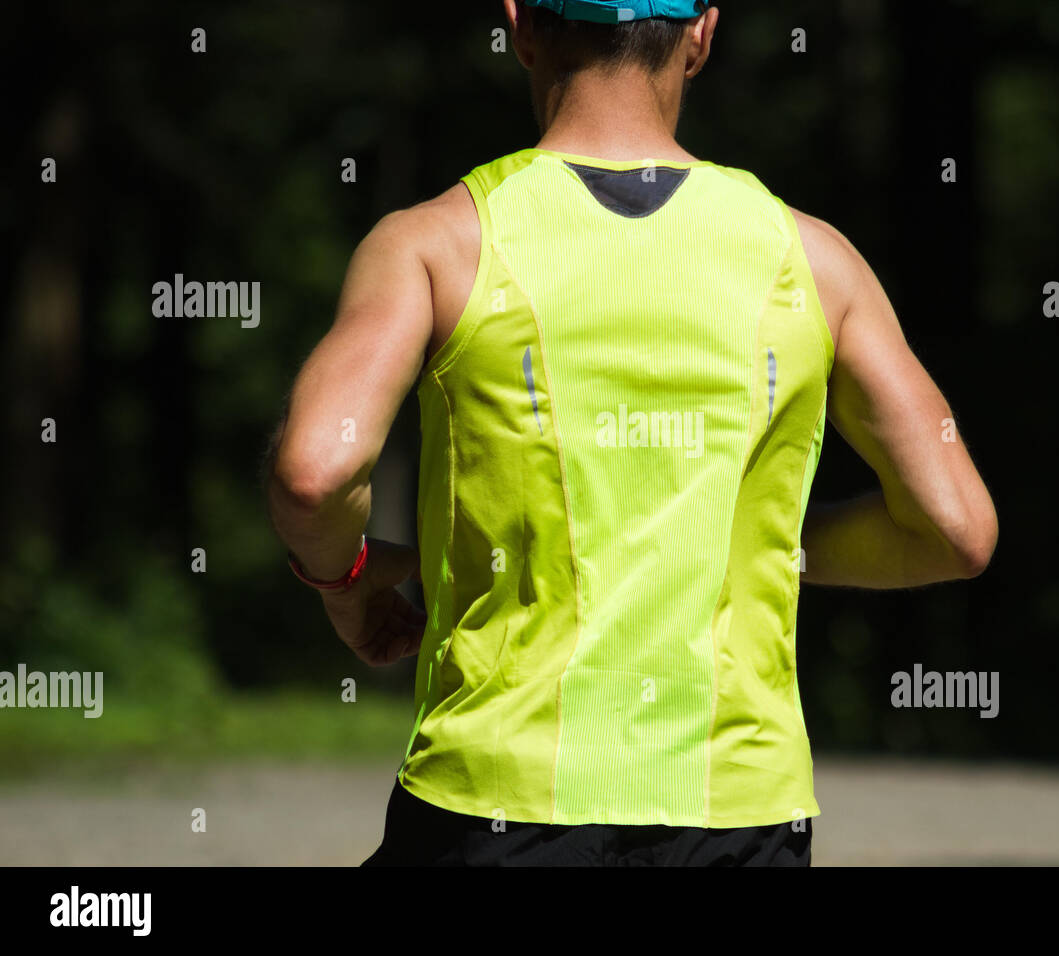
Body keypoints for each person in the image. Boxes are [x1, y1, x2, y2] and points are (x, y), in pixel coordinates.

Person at [266, 0, 998, 867]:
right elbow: (955, 528)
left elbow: (316, 471)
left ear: (522, 27)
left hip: (498, 802)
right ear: (702, 34)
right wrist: (768, 551)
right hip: (737, 814)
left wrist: (349, 584)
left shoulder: (438, 244)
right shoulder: (814, 260)